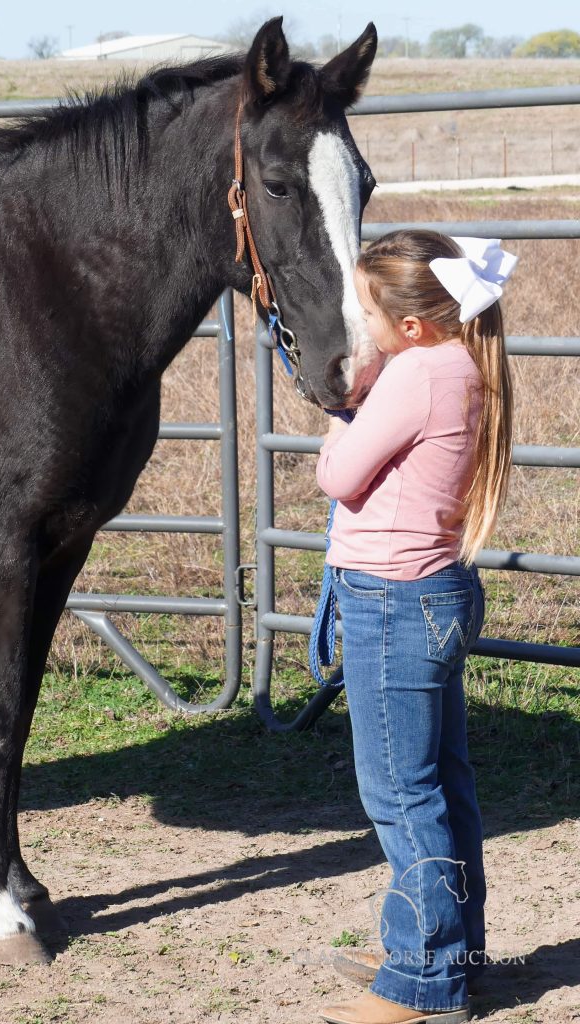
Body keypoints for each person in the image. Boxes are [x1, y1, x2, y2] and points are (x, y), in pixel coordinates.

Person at [315, 230, 517, 1024]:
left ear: (410, 326)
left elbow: (339, 474)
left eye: (367, 310)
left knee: (400, 794)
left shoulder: (416, 375)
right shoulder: (463, 364)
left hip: (391, 601)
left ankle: (424, 977)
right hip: (435, 592)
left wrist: (341, 408)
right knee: (441, 785)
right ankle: (451, 947)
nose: (359, 323)